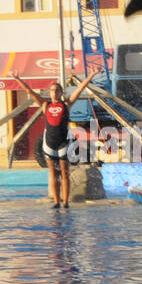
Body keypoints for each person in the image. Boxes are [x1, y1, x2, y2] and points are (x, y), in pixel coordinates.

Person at [40, 72, 100, 208]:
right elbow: (30, 92)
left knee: (64, 173)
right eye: (52, 90)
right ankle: (56, 202)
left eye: (57, 90)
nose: (54, 92)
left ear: (61, 92)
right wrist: (17, 79)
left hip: (63, 143)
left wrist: (92, 74)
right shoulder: (45, 105)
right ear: (49, 93)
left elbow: (80, 88)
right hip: (50, 143)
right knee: (53, 174)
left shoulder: (66, 104)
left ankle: (65, 202)